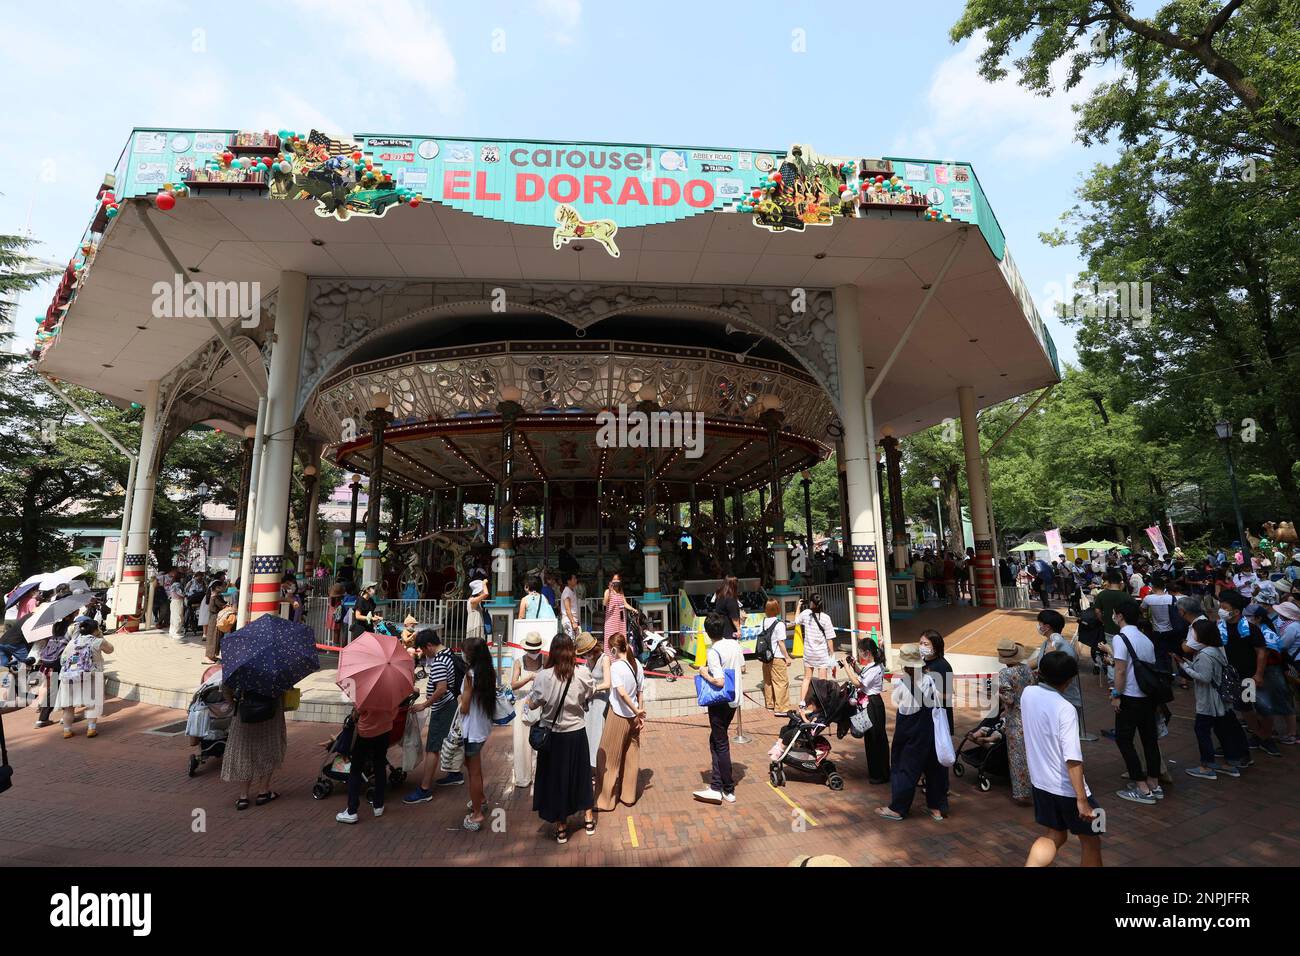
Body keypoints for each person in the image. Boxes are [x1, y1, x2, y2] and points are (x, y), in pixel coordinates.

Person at [1021, 651, 1102, 867]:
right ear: (1070, 679)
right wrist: (1082, 800)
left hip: (1040, 783)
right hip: (1068, 789)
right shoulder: (1065, 709)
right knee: (1092, 840)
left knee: (1055, 834)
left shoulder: (1028, 693)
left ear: (1041, 673)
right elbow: (1073, 759)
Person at [526, 633, 597, 843]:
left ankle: (562, 826)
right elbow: (589, 693)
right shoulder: (582, 673)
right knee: (581, 775)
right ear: (572, 651)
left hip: (554, 736)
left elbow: (533, 703)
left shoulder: (543, 676)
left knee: (557, 780)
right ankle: (588, 817)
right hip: (576, 732)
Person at [876, 631, 952, 822]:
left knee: (904, 767)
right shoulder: (929, 679)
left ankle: (898, 808)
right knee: (934, 769)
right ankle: (936, 807)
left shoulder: (903, 684)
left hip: (911, 731)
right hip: (931, 730)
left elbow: (901, 708)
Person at [1101, 598, 1162, 805]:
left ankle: (1141, 786)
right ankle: (1154, 782)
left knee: (1124, 739)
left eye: (1115, 613)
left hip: (1130, 696)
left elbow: (1120, 670)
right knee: (1149, 739)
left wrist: (1116, 695)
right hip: (1149, 697)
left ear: (1119, 616)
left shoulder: (1121, 638)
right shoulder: (1146, 639)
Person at [1173, 619, 1249, 779]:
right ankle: (1231, 763)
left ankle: (1206, 766)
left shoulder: (1205, 654)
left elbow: (1204, 677)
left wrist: (1185, 667)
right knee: (1223, 730)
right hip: (1220, 700)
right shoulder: (1216, 649)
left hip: (1209, 701)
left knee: (1202, 730)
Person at [404, 629, 463, 803]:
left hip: (442, 707)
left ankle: (424, 789)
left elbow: (441, 688)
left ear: (429, 645)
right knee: (451, 740)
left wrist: (424, 704)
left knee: (433, 748)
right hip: (450, 704)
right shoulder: (448, 653)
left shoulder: (439, 662)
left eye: (423, 649)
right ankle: (454, 773)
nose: (423, 653)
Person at [1218, 589, 1275, 756]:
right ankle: (1259, 736)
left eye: (1224, 607)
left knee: (1265, 707)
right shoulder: (1220, 628)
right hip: (1233, 677)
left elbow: (1262, 652)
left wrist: (1258, 674)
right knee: (1245, 707)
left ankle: (1266, 737)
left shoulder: (1250, 629)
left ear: (1236, 611)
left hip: (1250, 676)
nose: (1221, 609)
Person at [694, 611, 743, 805]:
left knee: (720, 743)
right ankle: (718, 783)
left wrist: (704, 673)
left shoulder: (713, 652)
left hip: (719, 702)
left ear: (707, 632)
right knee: (716, 740)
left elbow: (720, 681)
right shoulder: (734, 644)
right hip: (734, 699)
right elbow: (742, 667)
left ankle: (724, 788)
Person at [594, 631, 645, 814]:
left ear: (615, 649)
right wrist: (639, 714)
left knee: (608, 758)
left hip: (619, 716)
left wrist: (636, 710)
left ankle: (605, 800)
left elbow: (622, 694)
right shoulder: (637, 664)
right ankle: (628, 796)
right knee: (631, 758)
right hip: (633, 719)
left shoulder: (616, 667)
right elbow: (640, 691)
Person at [335, 689, 401, 825]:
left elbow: (357, 713)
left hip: (365, 733)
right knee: (380, 765)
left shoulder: (365, 689)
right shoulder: (393, 690)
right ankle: (378, 805)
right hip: (384, 730)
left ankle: (352, 811)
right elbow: (395, 712)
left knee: (356, 769)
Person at [220, 683, 288, 811]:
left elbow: (226, 687)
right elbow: (283, 689)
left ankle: (243, 796)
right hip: (271, 712)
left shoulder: (239, 665)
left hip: (245, 712)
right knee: (269, 748)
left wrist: (233, 703)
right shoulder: (275, 666)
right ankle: (263, 792)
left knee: (244, 751)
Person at [458, 637, 496, 832]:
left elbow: (464, 707)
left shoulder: (470, 676)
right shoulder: (488, 672)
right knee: (475, 767)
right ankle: (480, 798)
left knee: (472, 772)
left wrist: (461, 698)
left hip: (471, 730)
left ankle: (477, 813)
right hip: (481, 727)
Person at [842, 636, 889, 784]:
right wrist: (854, 665)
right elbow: (862, 674)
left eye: (861, 652)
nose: (860, 655)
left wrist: (847, 668)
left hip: (872, 705)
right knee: (872, 738)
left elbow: (857, 683)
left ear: (868, 652)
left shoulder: (874, 668)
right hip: (872, 703)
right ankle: (878, 772)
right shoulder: (875, 665)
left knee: (875, 739)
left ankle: (879, 774)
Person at [54, 619, 113, 738]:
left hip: (70, 676)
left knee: (69, 706)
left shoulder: (72, 642)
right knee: (92, 703)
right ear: (96, 630)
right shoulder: (98, 641)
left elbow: (63, 660)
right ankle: (91, 729)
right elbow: (110, 649)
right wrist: (101, 636)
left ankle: (67, 730)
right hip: (91, 676)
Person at [995, 638, 1036, 805]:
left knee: (1017, 756)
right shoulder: (1026, 669)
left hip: (1015, 719)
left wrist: (998, 694)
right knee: (1031, 754)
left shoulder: (1005, 673)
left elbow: (1009, 699)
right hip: (1030, 715)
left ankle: (1021, 792)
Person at [509, 630, 545, 789]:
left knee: (541, 740)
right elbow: (513, 684)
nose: (534, 653)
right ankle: (523, 777)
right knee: (521, 741)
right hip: (522, 703)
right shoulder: (518, 662)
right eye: (531, 650)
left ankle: (542, 776)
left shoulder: (546, 659)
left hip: (541, 702)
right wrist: (528, 678)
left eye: (536, 650)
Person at [578, 631, 611, 771]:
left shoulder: (604, 659)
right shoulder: (586, 661)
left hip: (601, 702)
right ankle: (591, 767)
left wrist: (593, 688)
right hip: (588, 704)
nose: (587, 655)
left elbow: (608, 683)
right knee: (588, 734)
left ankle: (600, 768)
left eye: (589, 651)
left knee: (598, 734)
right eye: (584, 653)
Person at [795, 593, 834, 707]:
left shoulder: (806, 614)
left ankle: (802, 701)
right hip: (822, 653)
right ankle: (822, 703)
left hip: (809, 652)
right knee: (823, 680)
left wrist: (798, 606)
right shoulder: (826, 618)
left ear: (811, 603)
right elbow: (829, 638)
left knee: (807, 677)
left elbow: (796, 620)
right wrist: (832, 655)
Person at [758, 598, 791, 713]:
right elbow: (781, 643)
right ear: (777, 609)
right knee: (781, 682)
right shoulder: (779, 624)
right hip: (777, 657)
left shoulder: (762, 622)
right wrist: (787, 657)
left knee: (768, 681)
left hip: (766, 657)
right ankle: (782, 708)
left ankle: (770, 704)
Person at [602, 574, 627, 658]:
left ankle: (621, 657)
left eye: (617, 581)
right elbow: (605, 603)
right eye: (614, 581)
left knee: (620, 638)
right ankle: (610, 659)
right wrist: (609, 590)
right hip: (611, 620)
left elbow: (625, 603)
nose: (616, 583)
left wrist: (633, 609)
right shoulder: (607, 591)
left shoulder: (620, 592)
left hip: (620, 620)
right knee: (611, 639)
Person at [560, 572, 581, 639]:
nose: (576, 580)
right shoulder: (567, 592)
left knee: (576, 641)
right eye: (574, 579)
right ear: (569, 581)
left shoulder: (572, 590)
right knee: (570, 641)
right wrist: (573, 622)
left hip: (573, 620)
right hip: (569, 621)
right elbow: (567, 609)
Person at [167, 573, 186, 640]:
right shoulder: (178, 585)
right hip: (178, 601)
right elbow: (180, 593)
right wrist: (185, 595)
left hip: (173, 601)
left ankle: (172, 631)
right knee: (178, 617)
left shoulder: (173, 584)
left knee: (173, 617)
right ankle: (176, 632)